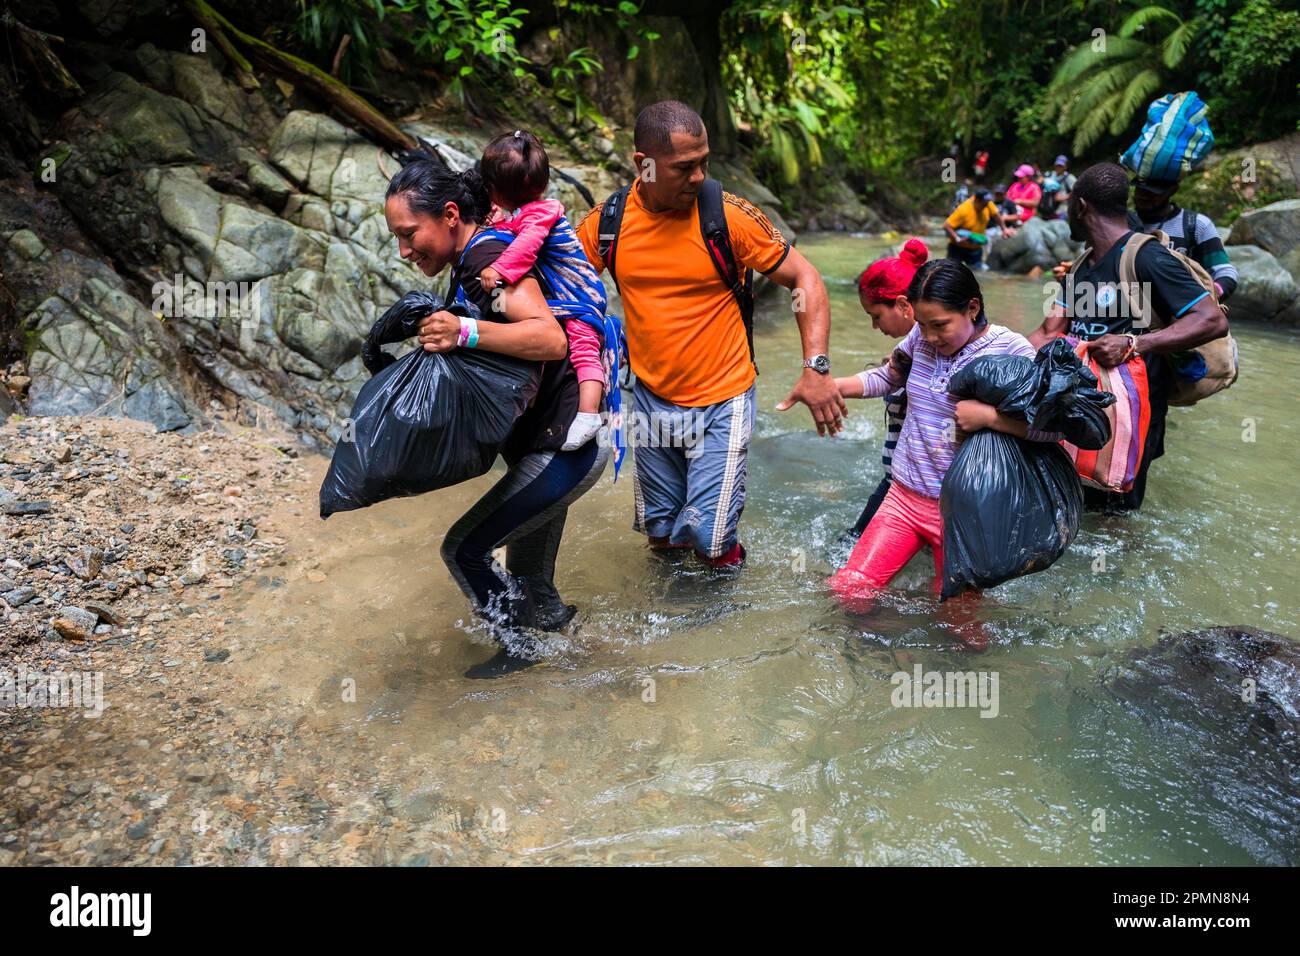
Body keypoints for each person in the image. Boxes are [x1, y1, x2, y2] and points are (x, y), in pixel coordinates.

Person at [576, 100, 844, 569]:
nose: (699, 176)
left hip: (724, 396)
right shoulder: (608, 223)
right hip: (648, 395)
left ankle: (722, 623)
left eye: (704, 162)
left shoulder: (728, 216)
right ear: (644, 165)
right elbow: (563, 291)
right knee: (662, 536)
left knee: (707, 536)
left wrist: (816, 367)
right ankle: (672, 630)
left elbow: (807, 280)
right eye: (685, 167)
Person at [384, 160, 610, 678]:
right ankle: (591, 669)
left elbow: (549, 337)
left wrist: (463, 332)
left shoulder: (485, 257)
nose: (403, 250)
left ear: (448, 215)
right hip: (553, 448)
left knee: (464, 549)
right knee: (533, 584)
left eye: (408, 234)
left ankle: (521, 652)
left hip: (564, 448)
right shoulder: (473, 265)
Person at [829, 259, 1064, 606]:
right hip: (904, 497)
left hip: (965, 515)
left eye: (940, 325)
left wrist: (990, 418)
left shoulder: (1012, 350)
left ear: (972, 308)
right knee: (849, 592)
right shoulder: (919, 339)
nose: (928, 337)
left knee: (957, 623)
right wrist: (831, 387)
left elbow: (1053, 431)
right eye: (922, 325)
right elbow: (888, 377)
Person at [1028, 162, 1229, 512]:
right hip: (1082, 409)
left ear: (1080, 206)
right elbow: (1048, 333)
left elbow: (1211, 320)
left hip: (1134, 417)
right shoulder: (1079, 268)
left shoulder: (1147, 257)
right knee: (1077, 501)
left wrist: (1135, 343)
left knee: (1116, 514)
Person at [476, 130, 610, 452]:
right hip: (567, 293)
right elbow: (513, 228)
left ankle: (589, 414)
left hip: (582, 295)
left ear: (493, 189)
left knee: (583, 347)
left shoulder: (541, 215)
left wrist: (498, 270)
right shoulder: (527, 212)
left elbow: (526, 246)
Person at [840, 238, 929, 544]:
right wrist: (831, 387)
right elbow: (884, 377)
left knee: (851, 546)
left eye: (876, 316)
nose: (875, 327)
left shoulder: (930, 345)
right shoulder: (913, 346)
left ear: (904, 304)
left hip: (909, 487)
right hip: (901, 480)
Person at [1129, 175, 1238, 302]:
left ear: (1173, 190)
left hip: (1183, 310)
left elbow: (1225, 271)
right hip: (1134, 309)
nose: (1143, 195)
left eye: (1152, 191)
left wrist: (1214, 293)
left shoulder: (1196, 224)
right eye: (1139, 189)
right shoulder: (1122, 224)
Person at [944, 188, 1002, 268]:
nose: (987, 206)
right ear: (977, 200)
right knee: (952, 271)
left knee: (976, 273)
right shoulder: (963, 210)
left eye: (987, 203)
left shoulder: (988, 203)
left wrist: (1004, 229)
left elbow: (996, 215)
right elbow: (946, 226)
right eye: (984, 204)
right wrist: (957, 238)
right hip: (957, 248)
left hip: (975, 248)